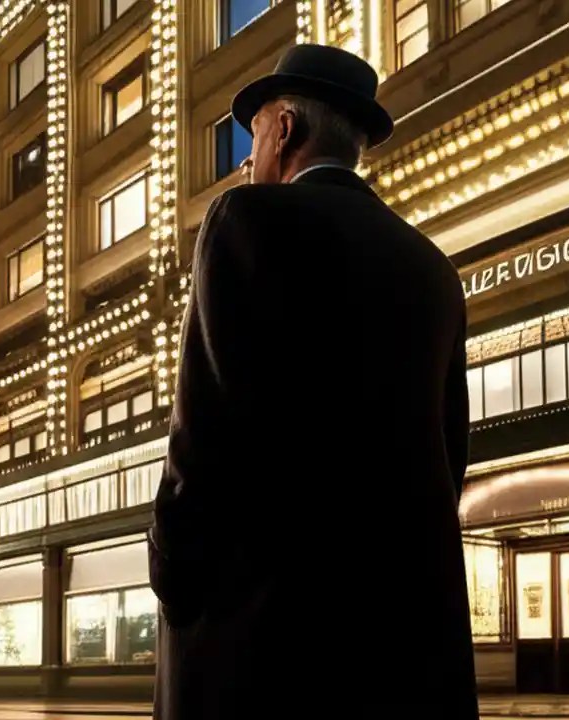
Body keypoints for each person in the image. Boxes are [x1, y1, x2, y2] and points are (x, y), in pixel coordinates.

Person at [147, 44, 478, 720]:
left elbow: (202, 430)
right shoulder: (432, 268)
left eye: (255, 135)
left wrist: (172, 568)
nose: (250, 160)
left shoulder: (246, 222)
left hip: (264, 636)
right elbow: (451, 459)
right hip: (402, 641)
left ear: (287, 128)